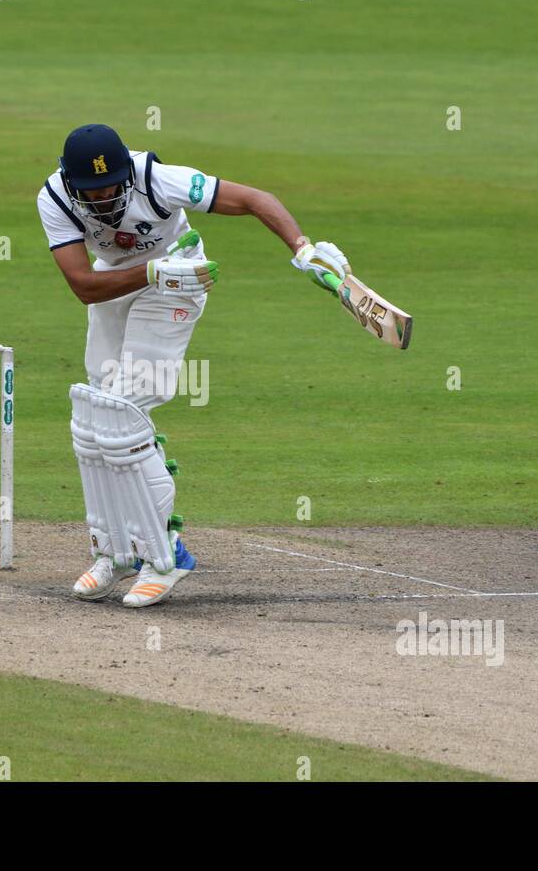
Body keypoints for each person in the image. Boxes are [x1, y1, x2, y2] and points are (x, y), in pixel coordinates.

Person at [37, 123, 349, 607]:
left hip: (180, 281)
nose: (100, 199)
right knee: (95, 413)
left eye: (109, 187)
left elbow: (254, 199)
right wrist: (149, 270)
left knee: (123, 411)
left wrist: (301, 248)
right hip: (117, 282)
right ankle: (117, 551)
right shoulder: (55, 198)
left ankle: (167, 555)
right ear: (70, 182)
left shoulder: (158, 178)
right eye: (89, 191)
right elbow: (83, 285)